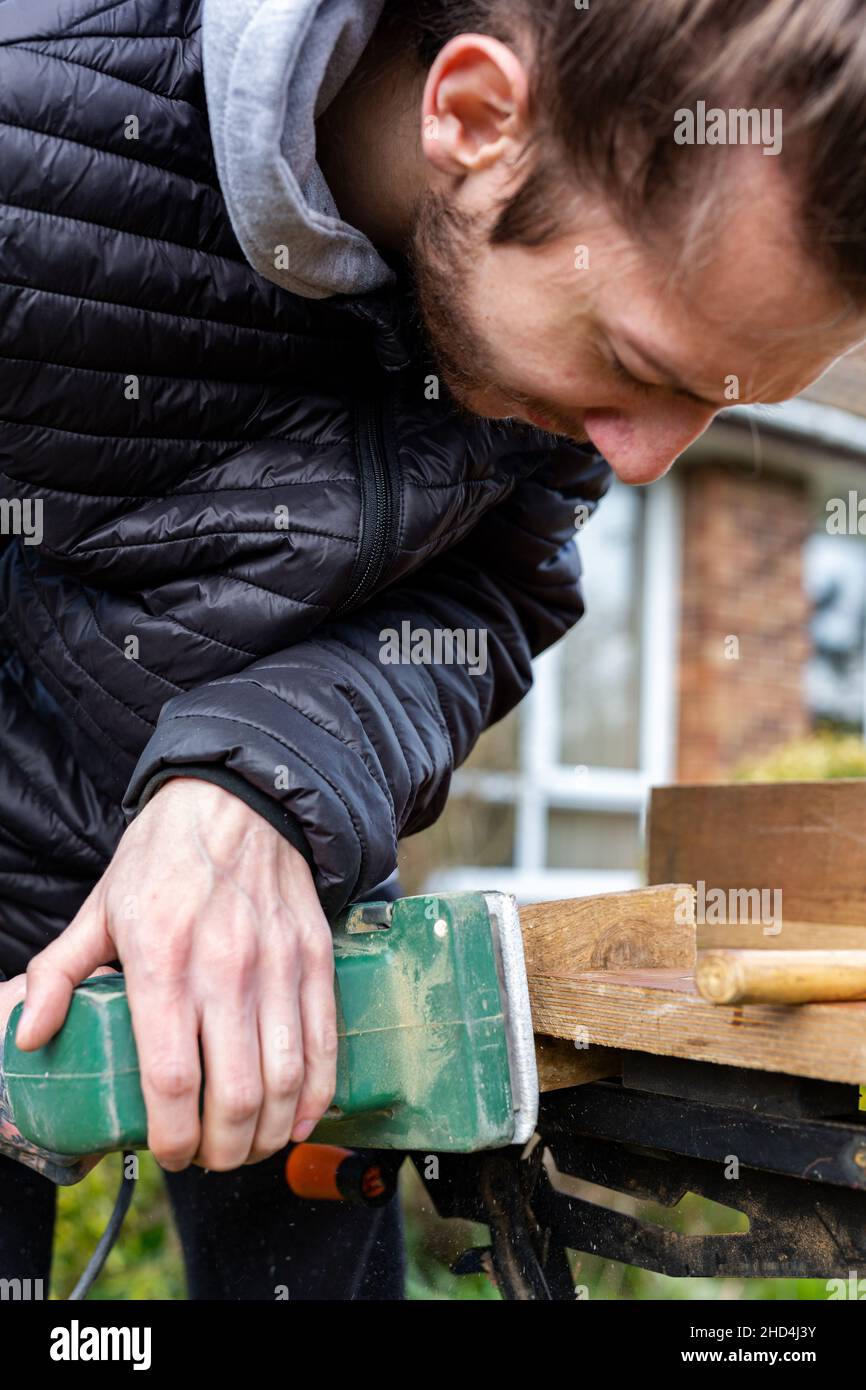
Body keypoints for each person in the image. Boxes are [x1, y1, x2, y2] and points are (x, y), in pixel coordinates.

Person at [0, 0, 864, 1300]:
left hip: (294, 920)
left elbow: (492, 590)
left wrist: (259, 780)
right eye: (636, 366)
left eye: (721, 401)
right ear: (471, 119)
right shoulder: (38, 121)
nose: (639, 459)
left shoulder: (547, 355)